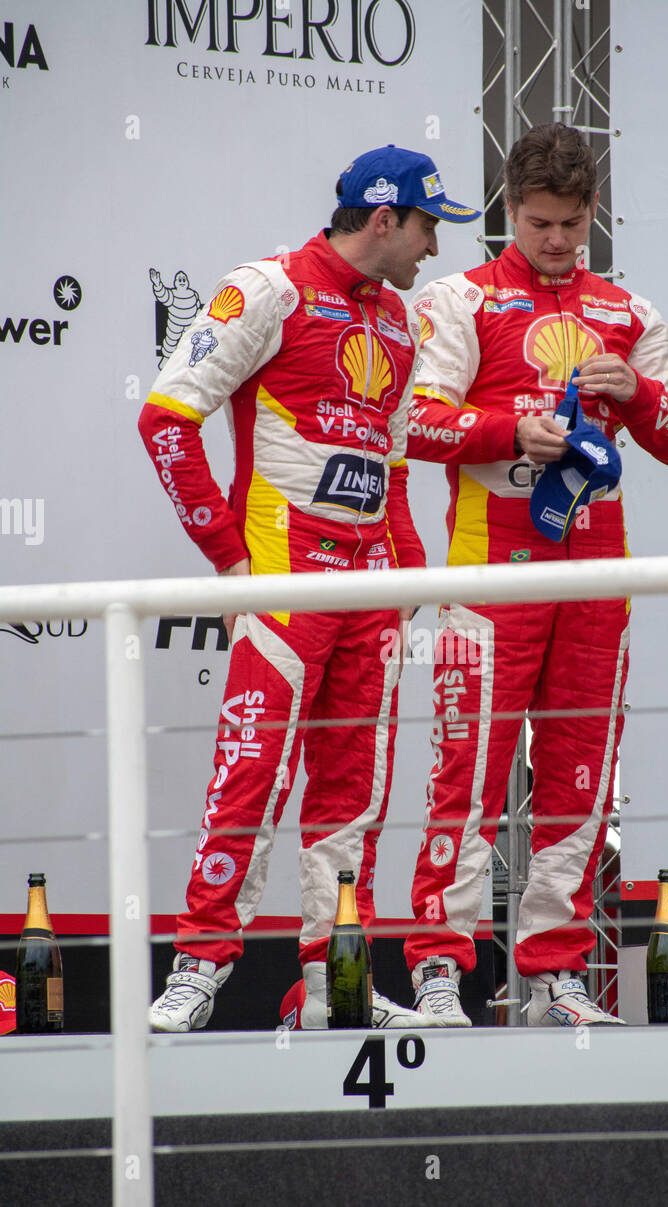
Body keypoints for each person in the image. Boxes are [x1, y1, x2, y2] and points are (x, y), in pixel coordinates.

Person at [139, 145, 480, 1030]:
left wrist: (406, 579)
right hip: (286, 582)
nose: (433, 249)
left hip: (368, 596)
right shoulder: (268, 288)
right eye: (427, 227)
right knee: (248, 779)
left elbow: (394, 466)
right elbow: (166, 418)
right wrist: (229, 555)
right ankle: (198, 968)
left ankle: (337, 985)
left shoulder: (404, 321)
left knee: (353, 800)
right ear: (383, 219)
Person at [402, 123, 668, 1027]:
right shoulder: (460, 300)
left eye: (571, 223)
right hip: (490, 581)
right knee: (468, 775)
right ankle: (440, 969)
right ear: (506, 211)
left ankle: (552, 972)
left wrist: (636, 397)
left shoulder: (628, 312)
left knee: (579, 779)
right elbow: (412, 423)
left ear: (593, 212)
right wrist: (506, 430)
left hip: (594, 583)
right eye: (538, 223)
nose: (556, 241)